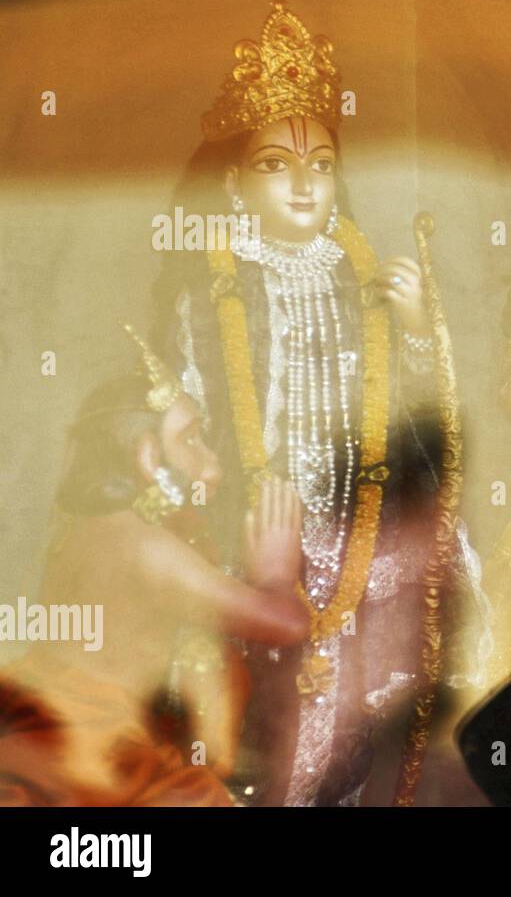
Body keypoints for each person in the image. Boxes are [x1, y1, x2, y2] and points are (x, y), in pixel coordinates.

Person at [149, 0, 487, 806]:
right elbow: (178, 410)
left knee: (383, 723)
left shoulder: (369, 277)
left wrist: (416, 327)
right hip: (256, 528)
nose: (303, 183)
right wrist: (182, 460)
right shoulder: (206, 294)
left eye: (321, 163)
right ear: (234, 182)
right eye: (276, 165)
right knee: (261, 733)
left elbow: (425, 416)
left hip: (369, 532)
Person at [0, 328, 308, 806]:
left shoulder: (80, 528)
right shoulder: (146, 548)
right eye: (190, 438)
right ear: (147, 455)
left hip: (33, 724)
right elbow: (285, 624)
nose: (208, 455)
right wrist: (272, 575)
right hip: (99, 752)